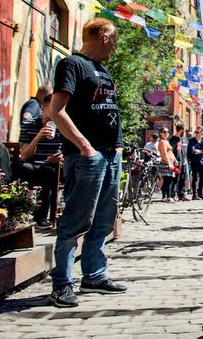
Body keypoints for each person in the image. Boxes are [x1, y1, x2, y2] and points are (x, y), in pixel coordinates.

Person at [47, 18, 127, 308]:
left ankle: (94, 274)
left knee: (104, 219)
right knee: (76, 219)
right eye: (114, 40)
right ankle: (62, 284)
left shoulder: (103, 71)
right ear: (104, 37)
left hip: (110, 155)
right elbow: (57, 111)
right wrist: (84, 147)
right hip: (86, 157)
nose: (115, 46)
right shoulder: (71, 65)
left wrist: (117, 148)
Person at [17, 93, 63, 228]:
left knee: (48, 170)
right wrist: (38, 137)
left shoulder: (62, 126)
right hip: (34, 164)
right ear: (43, 108)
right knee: (24, 168)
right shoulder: (29, 125)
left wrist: (61, 157)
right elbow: (24, 155)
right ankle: (19, 213)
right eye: (52, 108)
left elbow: (68, 151)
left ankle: (41, 217)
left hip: (53, 166)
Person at [168, 124, 190, 201]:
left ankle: (181, 194)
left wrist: (184, 159)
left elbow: (181, 150)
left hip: (182, 161)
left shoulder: (180, 139)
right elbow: (172, 151)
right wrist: (174, 160)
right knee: (175, 179)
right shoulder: (174, 139)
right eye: (183, 130)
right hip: (176, 161)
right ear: (181, 130)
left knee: (183, 178)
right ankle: (173, 194)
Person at [187, 127, 203, 200]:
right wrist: (202, 151)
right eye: (195, 132)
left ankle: (200, 193)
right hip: (194, 161)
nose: (196, 133)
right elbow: (193, 151)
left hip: (202, 161)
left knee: (202, 178)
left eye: (198, 132)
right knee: (195, 178)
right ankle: (194, 194)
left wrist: (200, 151)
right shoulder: (192, 140)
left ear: (202, 132)